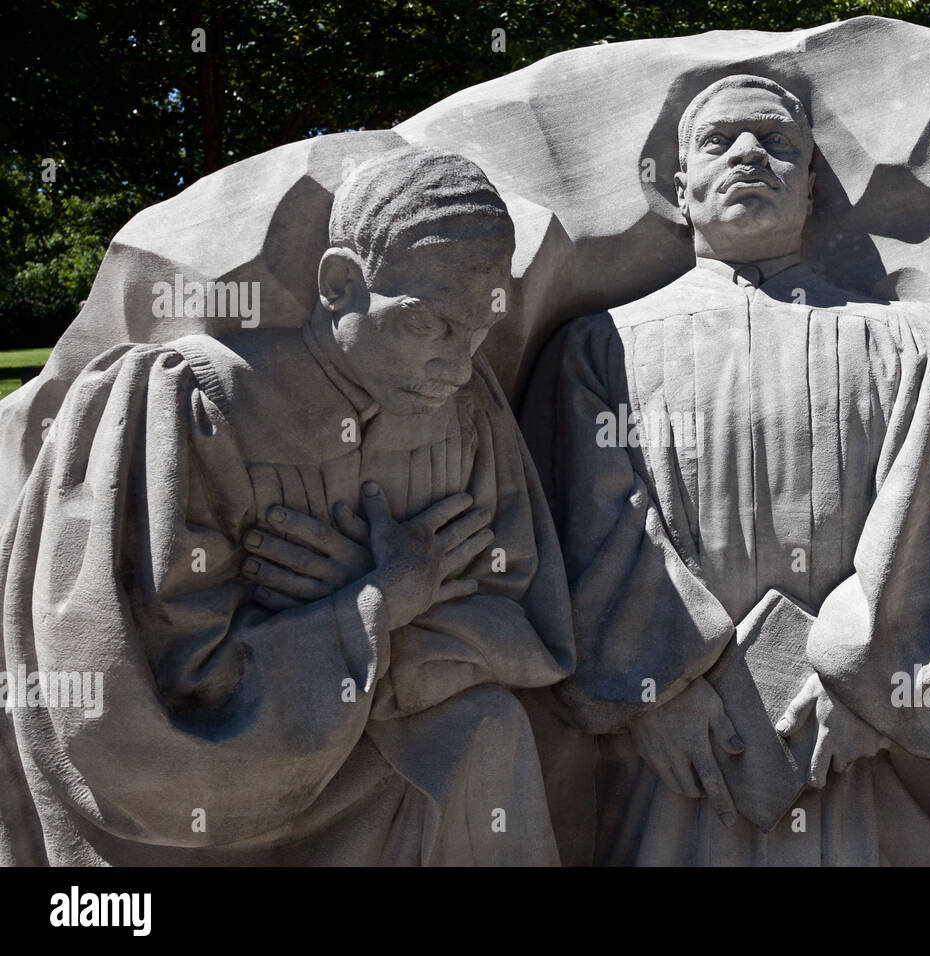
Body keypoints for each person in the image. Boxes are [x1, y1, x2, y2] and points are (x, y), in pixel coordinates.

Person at [0, 146, 575, 865]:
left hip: (385, 738)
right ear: (340, 283)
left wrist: (368, 612)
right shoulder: (196, 405)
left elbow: (515, 613)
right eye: (426, 325)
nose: (458, 365)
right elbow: (160, 683)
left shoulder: (462, 410)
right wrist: (373, 605)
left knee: (490, 729)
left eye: (480, 331)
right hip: (225, 788)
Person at [524, 74, 930, 865]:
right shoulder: (602, 347)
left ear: (810, 187)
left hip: (837, 736)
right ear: (679, 189)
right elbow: (593, 528)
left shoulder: (904, 345)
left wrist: (864, 685)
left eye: (779, 144)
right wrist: (653, 690)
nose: (750, 154)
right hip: (674, 747)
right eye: (720, 142)